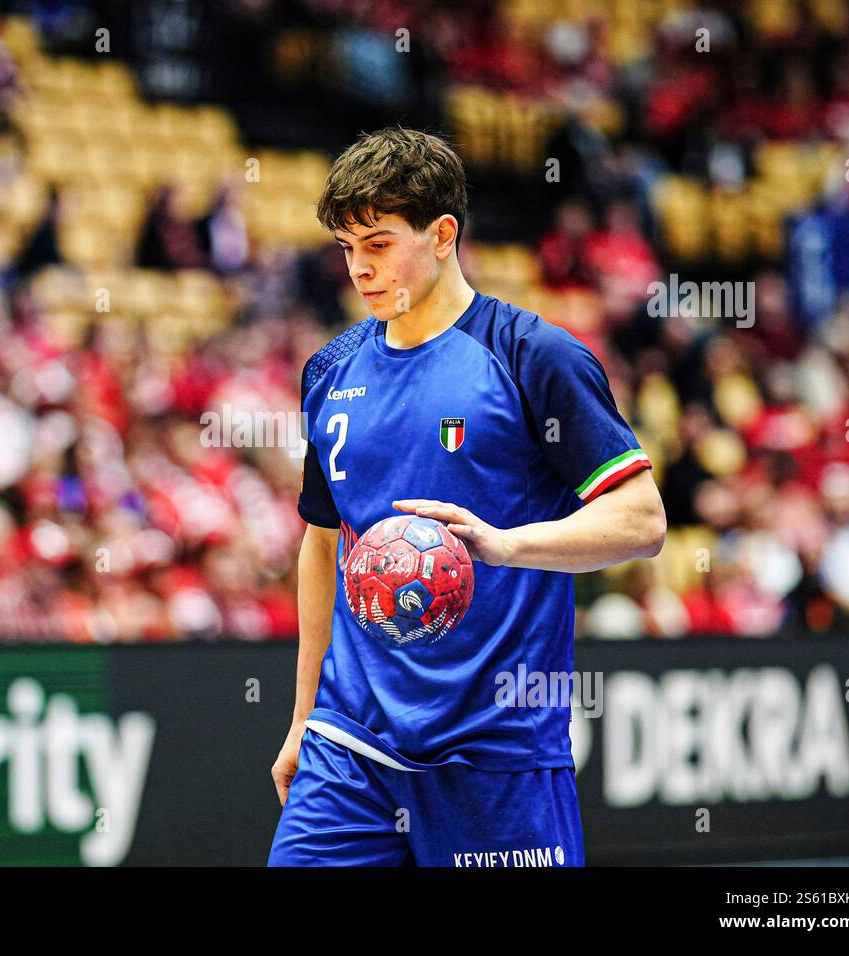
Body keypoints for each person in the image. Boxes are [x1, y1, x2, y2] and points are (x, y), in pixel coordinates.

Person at [268, 127, 666, 867]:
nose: (359, 269)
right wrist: (301, 719)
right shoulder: (330, 370)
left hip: (499, 754)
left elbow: (642, 521)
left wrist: (508, 544)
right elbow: (322, 543)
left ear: (443, 234)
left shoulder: (533, 356)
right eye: (348, 248)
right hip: (350, 750)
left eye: (379, 244)